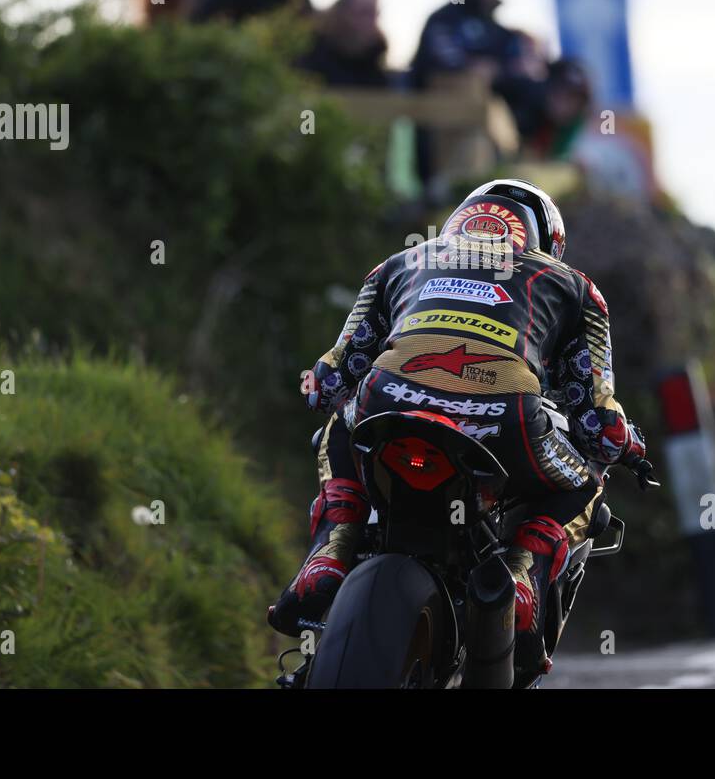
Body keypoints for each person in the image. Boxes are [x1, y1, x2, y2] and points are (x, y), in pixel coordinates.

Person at [268, 179, 651, 685]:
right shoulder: (576, 287)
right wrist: (627, 444)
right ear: (543, 241)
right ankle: (519, 576)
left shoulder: (398, 263)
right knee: (585, 480)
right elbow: (597, 422)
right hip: (505, 419)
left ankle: (334, 548)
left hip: (387, 401)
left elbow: (329, 380)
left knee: (340, 421)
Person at [409, 0, 545, 190]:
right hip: (444, 164)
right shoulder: (443, 21)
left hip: (501, 165)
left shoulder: (505, 35)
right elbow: (449, 71)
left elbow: (530, 82)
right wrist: (502, 71)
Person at [295, 0, 389, 88]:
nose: (370, 21)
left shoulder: (375, 64)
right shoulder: (311, 56)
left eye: (374, 13)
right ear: (343, 13)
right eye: (364, 12)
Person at [525, 58, 592, 160]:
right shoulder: (528, 94)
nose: (564, 107)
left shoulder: (570, 126)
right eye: (561, 97)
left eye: (573, 102)